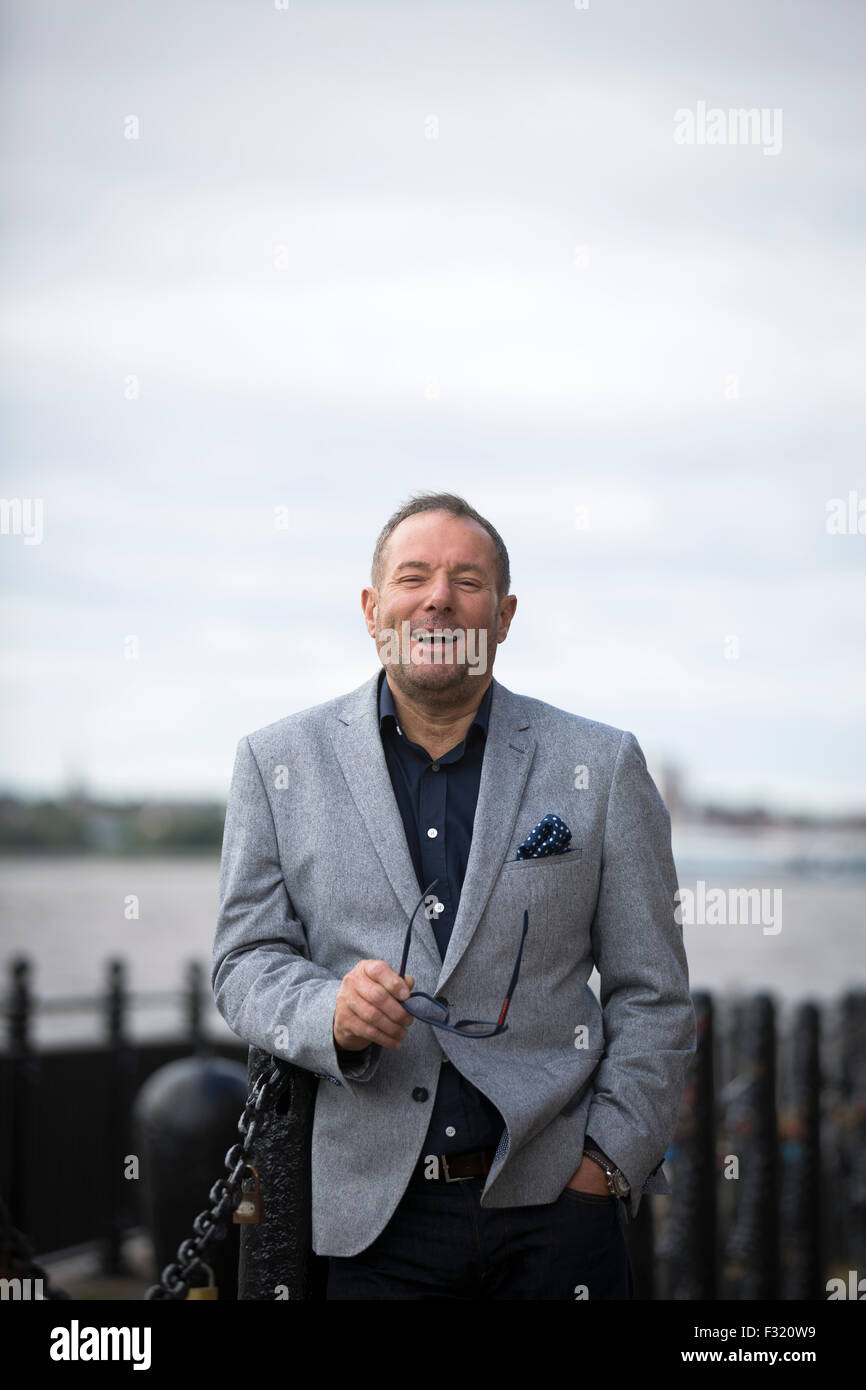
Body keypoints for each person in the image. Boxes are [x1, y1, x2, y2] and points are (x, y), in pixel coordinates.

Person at [211, 491, 696, 1300]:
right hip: (369, 1221)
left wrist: (607, 1163)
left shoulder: (603, 764)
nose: (439, 597)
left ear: (503, 616)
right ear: (373, 610)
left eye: (467, 582)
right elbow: (242, 962)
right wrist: (328, 1009)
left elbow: (653, 992)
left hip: (557, 1210)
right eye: (414, 576)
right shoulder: (274, 762)